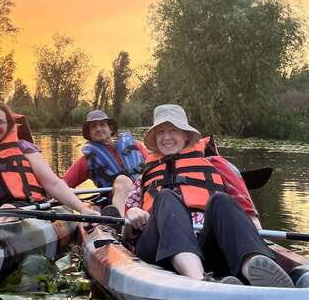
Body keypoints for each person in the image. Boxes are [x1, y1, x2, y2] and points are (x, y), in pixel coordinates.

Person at [123, 104, 293, 287]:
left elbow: (243, 210)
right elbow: (126, 236)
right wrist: (132, 214)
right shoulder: (144, 177)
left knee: (221, 200)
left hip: (207, 246)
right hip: (157, 251)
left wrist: (252, 225)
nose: (167, 137)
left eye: (173, 130)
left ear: (186, 135)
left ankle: (253, 266)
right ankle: (200, 281)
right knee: (166, 196)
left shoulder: (214, 167)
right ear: (155, 137)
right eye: (161, 132)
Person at [0, 101, 96, 218]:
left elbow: (53, 183)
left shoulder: (24, 149)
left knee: (4, 213)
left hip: (18, 206)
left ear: (8, 125)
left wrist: (82, 209)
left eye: (0, 122)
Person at [62, 110, 148, 216]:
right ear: (89, 133)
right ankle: (119, 223)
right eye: (93, 126)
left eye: (102, 125)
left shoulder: (135, 146)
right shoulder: (87, 160)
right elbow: (63, 184)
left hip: (143, 193)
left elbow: (154, 168)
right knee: (123, 180)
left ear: (110, 129)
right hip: (112, 200)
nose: (98, 129)